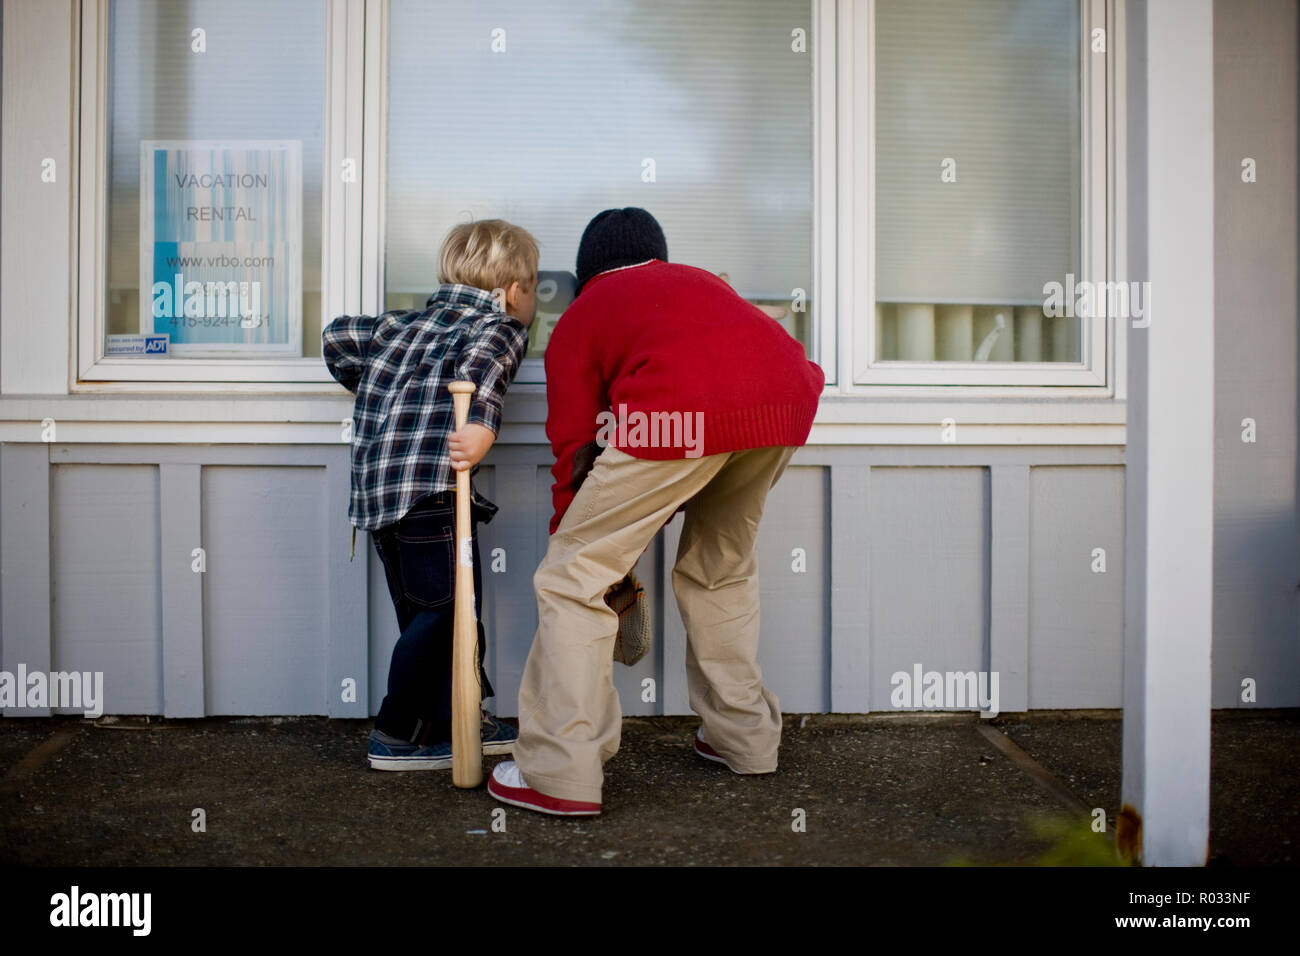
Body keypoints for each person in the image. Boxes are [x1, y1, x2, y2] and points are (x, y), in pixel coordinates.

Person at [488, 207, 824, 815]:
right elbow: (765, 361)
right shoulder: (703, 284)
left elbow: (573, 441)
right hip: (784, 401)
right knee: (721, 569)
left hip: (680, 413)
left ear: (589, 272)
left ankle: (558, 772)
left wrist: (577, 535)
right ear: (659, 255)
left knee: (572, 581)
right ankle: (744, 739)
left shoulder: (586, 312)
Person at [323, 218, 538, 770]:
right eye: (534, 287)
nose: (534, 301)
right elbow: (483, 372)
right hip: (433, 495)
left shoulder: (397, 328)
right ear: (514, 291)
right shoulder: (500, 327)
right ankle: (399, 733)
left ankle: (456, 719)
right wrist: (481, 427)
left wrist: (390, 383)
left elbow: (336, 337)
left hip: (379, 502)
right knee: (449, 614)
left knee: (424, 617)